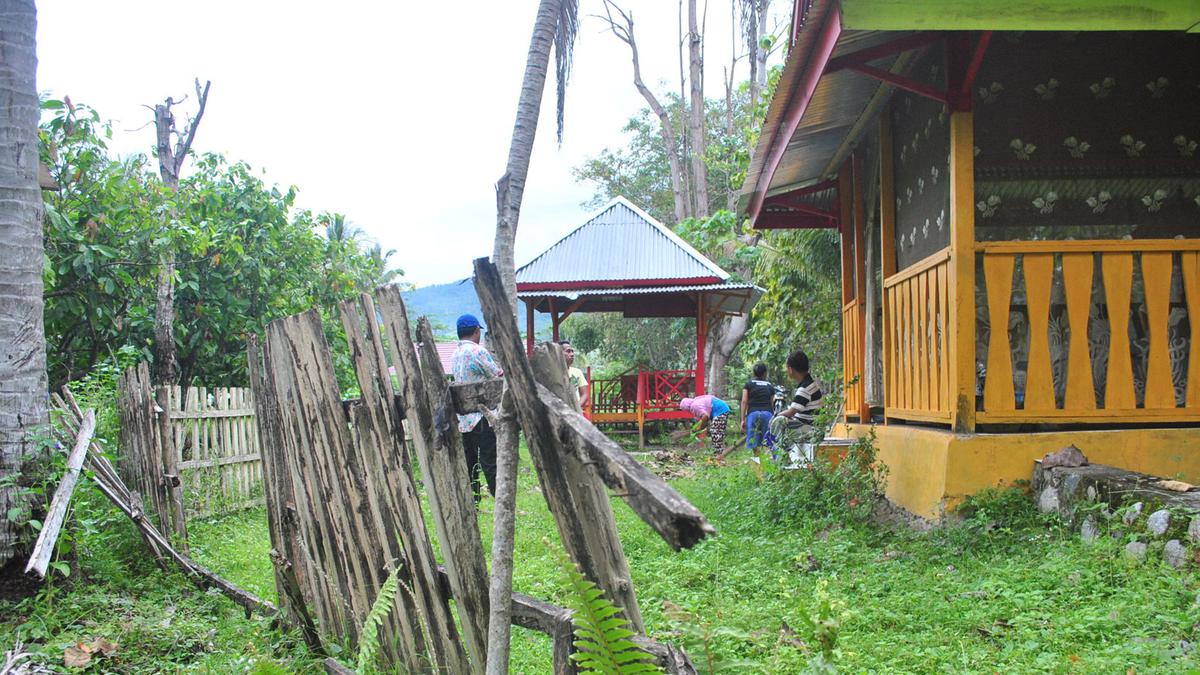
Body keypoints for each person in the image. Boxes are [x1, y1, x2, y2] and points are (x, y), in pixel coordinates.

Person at [451, 313, 502, 502]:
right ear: (476, 331)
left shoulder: (455, 354)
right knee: (490, 461)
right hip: (482, 415)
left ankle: (474, 500)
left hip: (463, 418)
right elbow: (496, 375)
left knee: (470, 461)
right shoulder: (477, 351)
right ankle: (499, 499)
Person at [769, 349, 824, 450]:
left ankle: (779, 454)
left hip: (812, 430)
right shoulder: (809, 384)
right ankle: (781, 451)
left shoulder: (805, 388)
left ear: (790, 369)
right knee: (782, 422)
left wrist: (776, 416)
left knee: (779, 421)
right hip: (809, 427)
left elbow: (790, 412)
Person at [722, 362, 775, 462]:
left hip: (753, 414)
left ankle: (757, 464)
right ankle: (772, 464)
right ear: (765, 373)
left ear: (754, 373)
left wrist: (742, 419)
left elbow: (744, 401)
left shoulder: (749, 384)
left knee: (753, 442)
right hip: (768, 414)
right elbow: (772, 403)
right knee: (769, 441)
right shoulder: (770, 385)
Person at [558, 339, 589, 409]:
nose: (572, 354)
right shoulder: (553, 372)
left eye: (572, 351)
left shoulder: (577, 372)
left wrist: (576, 407)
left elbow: (585, 394)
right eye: (568, 351)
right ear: (559, 353)